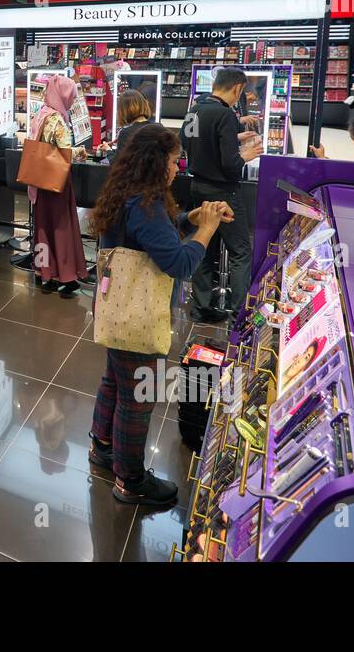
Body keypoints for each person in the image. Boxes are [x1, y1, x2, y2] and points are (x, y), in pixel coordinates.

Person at [87, 125, 231, 506]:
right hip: (137, 317)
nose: (176, 167)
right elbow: (179, 262)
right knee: (138, 397)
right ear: (156, 162)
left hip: (116, 310)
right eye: (173, 161)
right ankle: (130, 480)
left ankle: (102, 446)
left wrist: (190, 218)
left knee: (115, 380)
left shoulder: (127, 193)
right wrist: (206, 231)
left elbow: (152, 235)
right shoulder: (146, 205)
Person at [180, 66, 263, 322]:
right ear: (238, 88)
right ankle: (240, 314)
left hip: (197, 186)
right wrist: (246, 155)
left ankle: (202, 305)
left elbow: (190, 142)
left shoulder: (195, 109)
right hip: (223, 192)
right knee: (240, 251)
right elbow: (230, 164)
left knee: (204, 243)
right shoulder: (225, 114)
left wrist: (233, 137)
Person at [28, 74, 88, 298]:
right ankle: (64, 274)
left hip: (40, 181)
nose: (71, 100)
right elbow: (65, 152)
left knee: (43, 227)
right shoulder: (57, 120)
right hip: (57, 182)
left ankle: (43, 271)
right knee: (61, 228)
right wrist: (80, 151)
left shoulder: (41, 114)